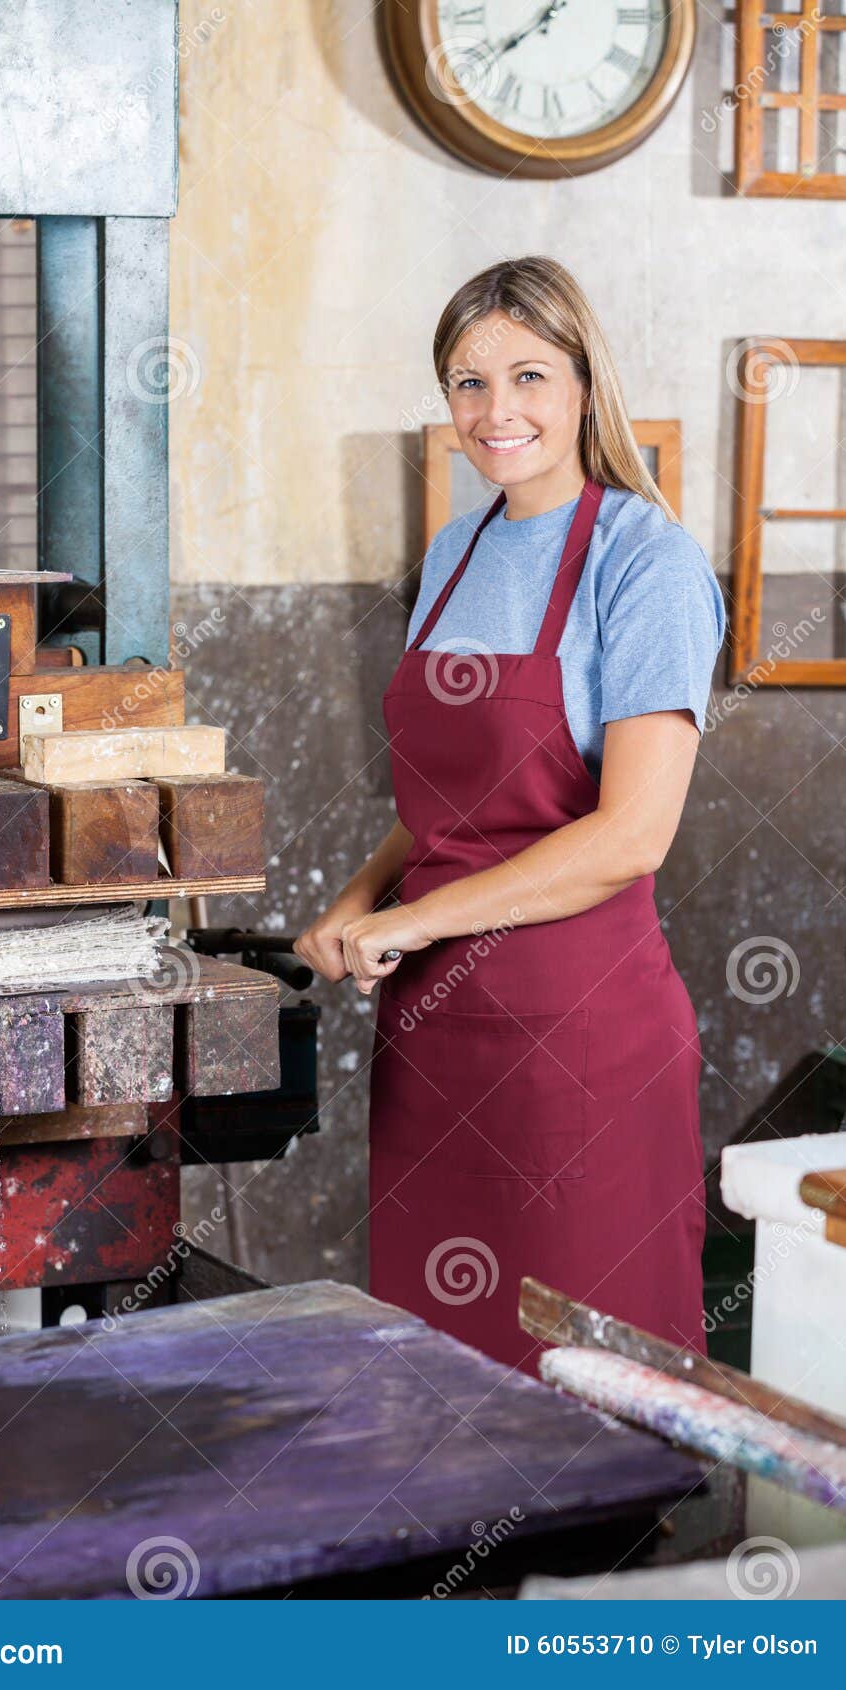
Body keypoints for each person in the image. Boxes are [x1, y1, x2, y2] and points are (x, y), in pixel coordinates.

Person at [294, 254, 727, 1381]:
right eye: (467, 382)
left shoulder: (646, 561)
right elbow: (448, 805)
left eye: (528, 376)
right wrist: (357, 899)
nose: (496, 411)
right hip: (434, 1040)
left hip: (578, 1043)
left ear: (584, 383)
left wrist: (410, 921)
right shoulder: (455, 552)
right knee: (441, 1375)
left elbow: (630, 835)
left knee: (585, 1381)